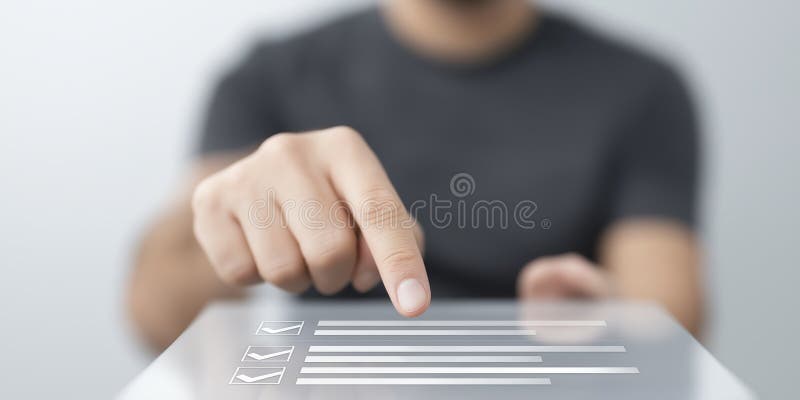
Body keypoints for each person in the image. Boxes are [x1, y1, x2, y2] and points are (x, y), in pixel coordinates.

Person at [128, 0, 703, 352]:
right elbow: (160, 313)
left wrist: (608, 315)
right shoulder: (272, 75)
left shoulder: (641, 88)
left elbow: (673, 317)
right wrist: (232, 224)